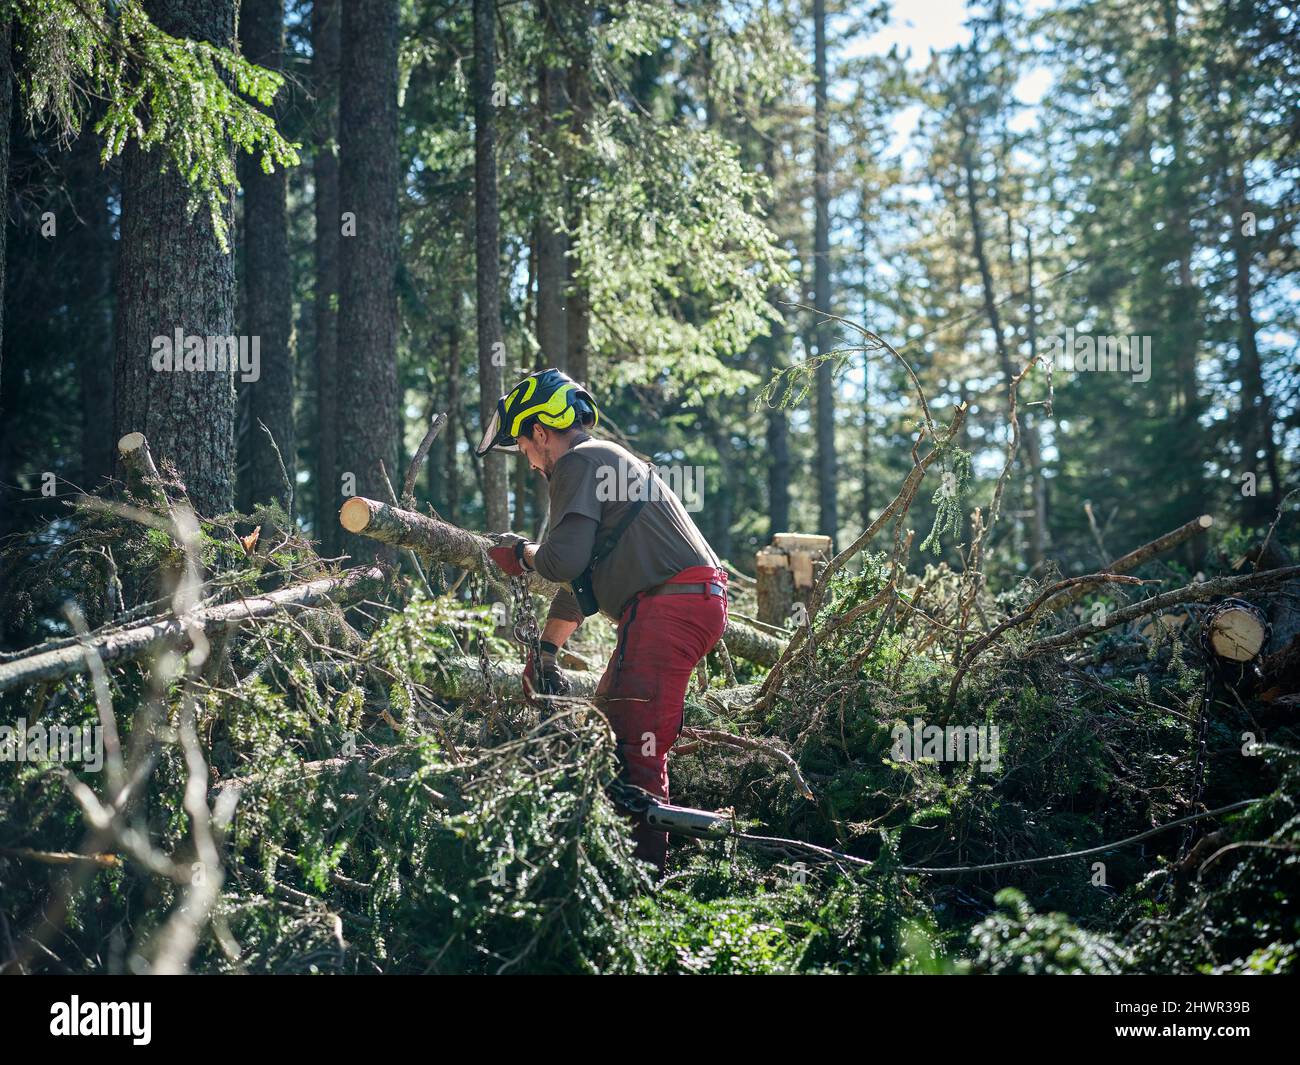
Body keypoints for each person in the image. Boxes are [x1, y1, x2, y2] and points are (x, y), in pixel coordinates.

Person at [477, 368, 727, 872]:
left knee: (634, 746)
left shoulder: (579, 462)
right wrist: (545, 653)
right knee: (613, 728)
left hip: (669, 607)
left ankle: (643, 882)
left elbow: (560, 562)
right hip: (678, 604)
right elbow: (581, 579)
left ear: (542, 433)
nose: (527, 460)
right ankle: (629, 856)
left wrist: (521, 554)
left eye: (523, 445)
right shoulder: (603, 462)